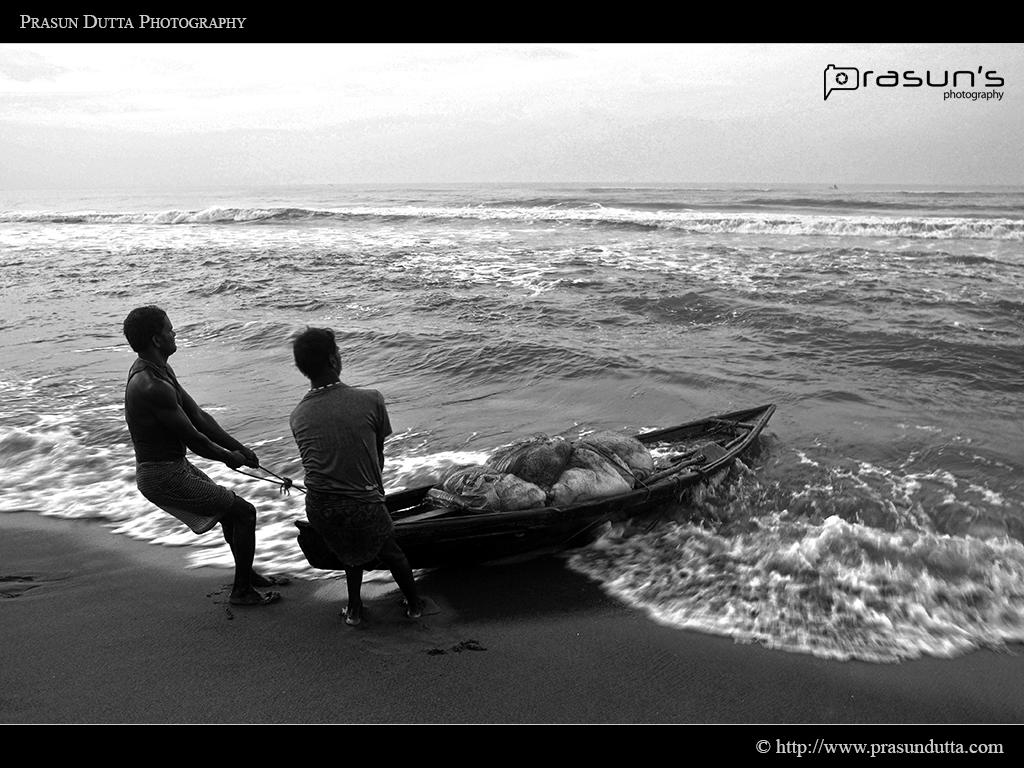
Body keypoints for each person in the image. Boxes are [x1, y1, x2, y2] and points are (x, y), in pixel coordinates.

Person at [122, 306, 281, 607]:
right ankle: (242, 591)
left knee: (230, 515)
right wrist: (227, 457)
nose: (174, 332)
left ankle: (247, 576)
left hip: (173, 467)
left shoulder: (159, 370)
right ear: (157, 339)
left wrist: (239, 448)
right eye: (169, 329)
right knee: (244, 513)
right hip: (162, 476)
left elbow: (198, 415)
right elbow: (194, 438)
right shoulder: (151, 385)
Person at [289, 327, 435, 625]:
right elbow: (375, 457)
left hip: (319, 507)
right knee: (392, 552)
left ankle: (355, 610)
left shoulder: (298, 414)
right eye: (338, 352)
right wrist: (372, 496)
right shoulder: (371, 400)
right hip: (360, 505)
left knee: (349, 551)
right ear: (333, 360)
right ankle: (415, 604)